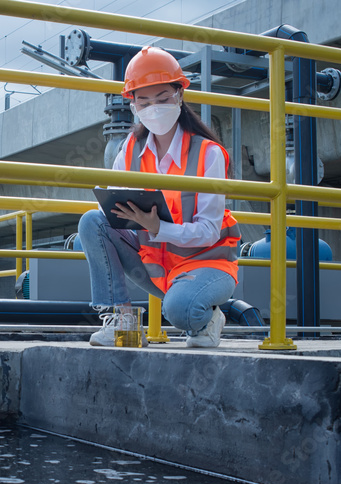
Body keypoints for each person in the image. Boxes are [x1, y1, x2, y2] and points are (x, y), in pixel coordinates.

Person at [78, 46, 240, 348]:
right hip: (157, 265)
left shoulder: (208, 153)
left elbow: (209, 231)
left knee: (180, 311)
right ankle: (120, 319)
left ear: (179, 95)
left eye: (163, 99)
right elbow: (115, 210)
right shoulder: (130, 149)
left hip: (206, 263)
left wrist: (157, 227)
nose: (154, 108)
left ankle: (209, 316)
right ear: (133, 105)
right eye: (145, 101)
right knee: (92, 222)